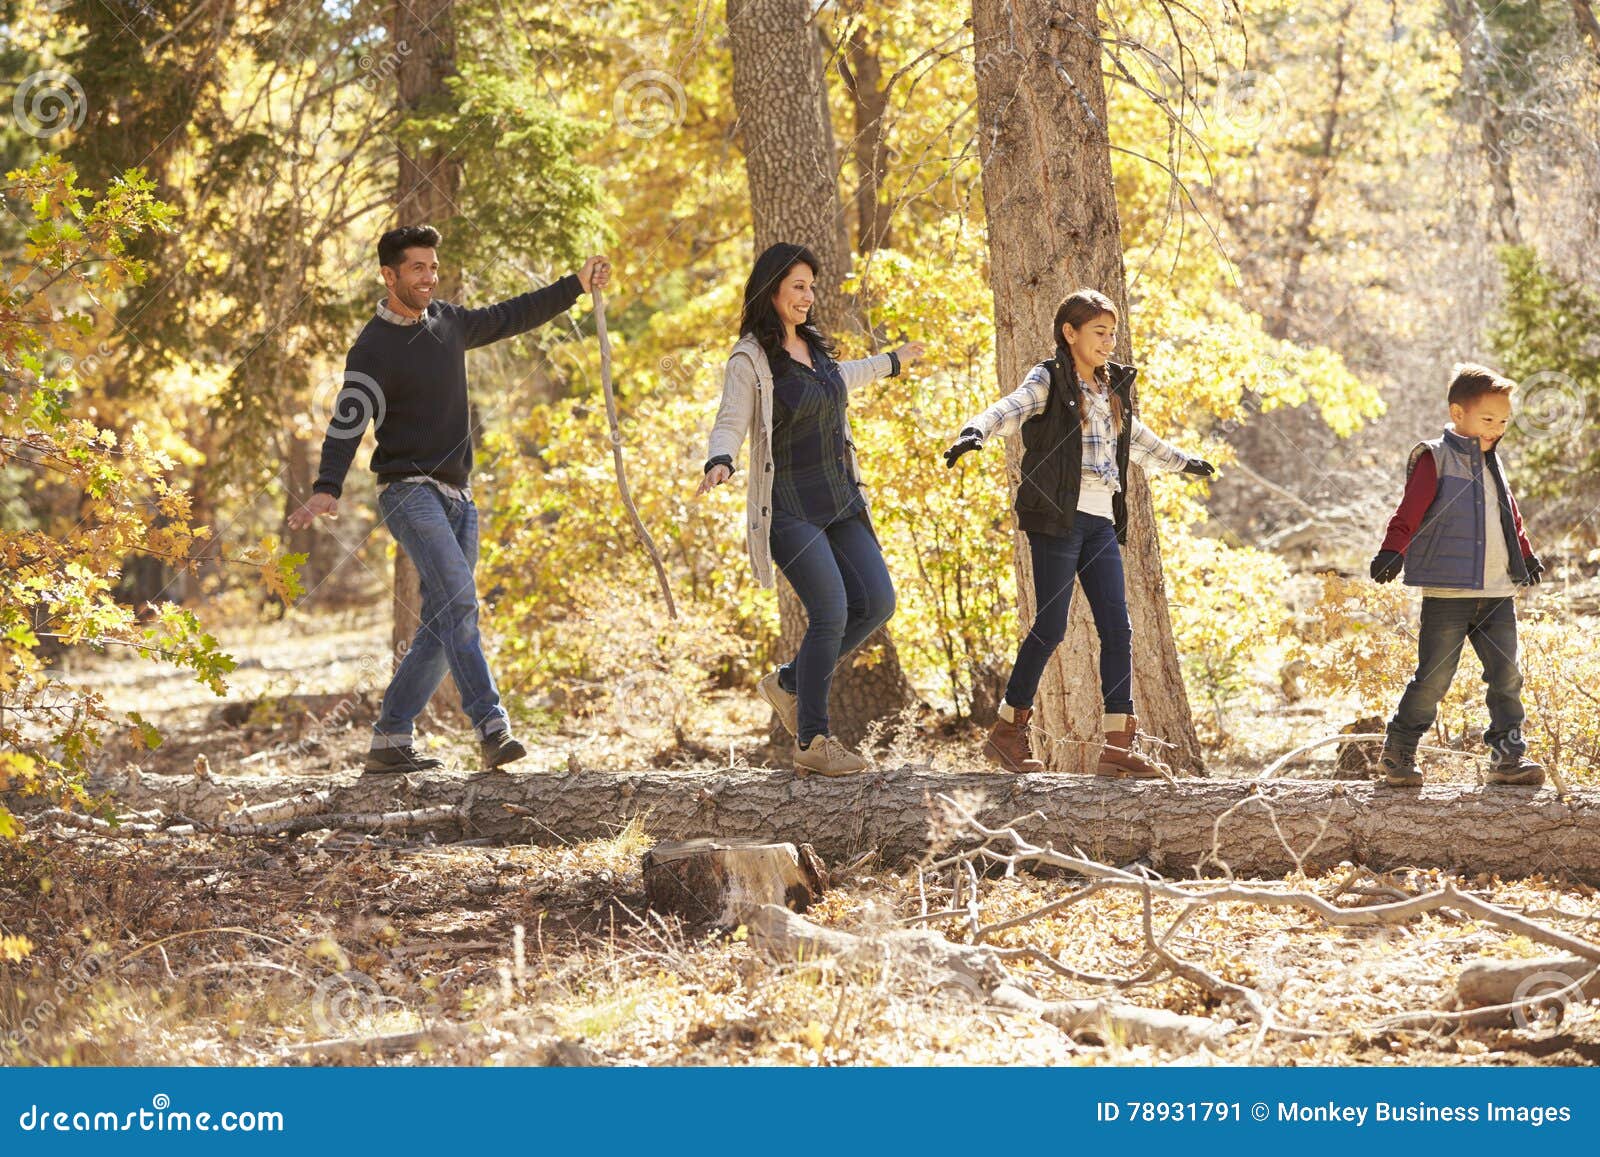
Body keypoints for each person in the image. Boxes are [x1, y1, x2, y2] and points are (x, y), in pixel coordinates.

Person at [289, 224, 611, 774]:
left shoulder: (450, 323)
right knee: (461, 603)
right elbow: (348, 420)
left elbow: (513, 315)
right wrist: (326, 487)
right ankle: (491, 726)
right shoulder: (372, 347)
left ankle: (390, 739)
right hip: (408, 492)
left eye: (433, 267)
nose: (429, 277)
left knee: (442, 623)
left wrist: (575, 285)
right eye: (417, 268)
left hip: (461, 496)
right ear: (388, 275)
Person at [944, 288, 1214, 777]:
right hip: (1058, 520)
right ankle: (1008, 730)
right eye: (1098, 333)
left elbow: (1137, 438)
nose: (1108, 342)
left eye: (1112, 333)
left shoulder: (1112, 387)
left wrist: (1183, 462)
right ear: (1070, 333)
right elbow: (1012, 407)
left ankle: (1117, 747)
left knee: (1119, 629)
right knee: (1051, 627)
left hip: (1101, 523)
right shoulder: (1049, 378)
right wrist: (975, 431)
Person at [699, 242, 923, 777]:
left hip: (841, 499)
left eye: (811, 287)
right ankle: (813, 740)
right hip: (790, 508)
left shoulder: (815, 348)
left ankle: (789, 683)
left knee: (877, 602)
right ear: (771, 290)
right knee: (831, 612)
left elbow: (842, 379)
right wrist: (721, 458)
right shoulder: (750, 358)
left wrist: (892, 362)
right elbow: (732, 416)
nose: (808, 296)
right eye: (798, 286)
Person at [1369, 363, 1545, 788]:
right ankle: (1398, 753)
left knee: (1507, 677)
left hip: (1497, 591)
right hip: (1449, 593)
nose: (1496, 428)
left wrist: (1525, 553)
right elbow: (1410, 508)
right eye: (1488, 419)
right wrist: (1393, 548)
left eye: (1503, 421)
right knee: (1433, 678)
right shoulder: (1436, 457)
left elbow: (1510, 517)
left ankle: (1507, 759)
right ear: (1457, 413)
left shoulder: (1493, 463)